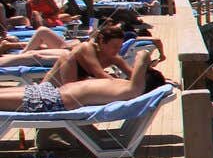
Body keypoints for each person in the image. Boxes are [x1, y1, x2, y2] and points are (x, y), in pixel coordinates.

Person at [0, 48, 164, 114]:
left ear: (143, 79)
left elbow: (142, 57)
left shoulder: (131, 90)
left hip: (52, 101)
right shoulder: (124, 86)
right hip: (51, 93)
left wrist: (145, 57)